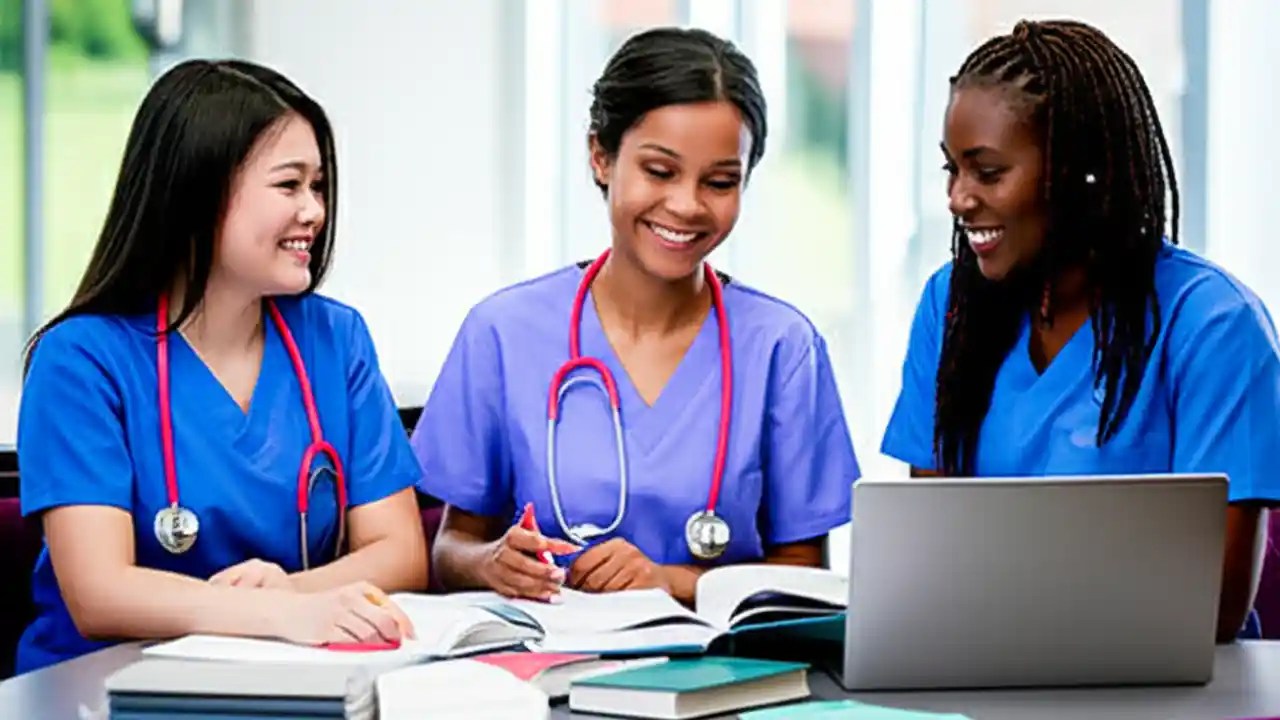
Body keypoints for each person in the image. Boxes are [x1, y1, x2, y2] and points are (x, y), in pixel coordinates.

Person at [411, 27, 860, 606]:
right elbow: (451, 549)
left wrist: (669, 582)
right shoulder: (503, 332)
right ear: (601, 156)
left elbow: (805, 574)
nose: (687, 205)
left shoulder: (782, 347)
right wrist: (493, 565)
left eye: (720, 182)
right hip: (551, 663)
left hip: (726, 677)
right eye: (660, 171)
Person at [15, 59, 427, 674]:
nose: (314, 210)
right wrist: (283, 616)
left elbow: (401, 555)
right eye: (289, 186)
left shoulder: (336, 339)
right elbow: (99, 593)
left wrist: (289, 596)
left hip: (292, 680)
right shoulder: (80, 361)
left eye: (318, 186)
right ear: (197, 193)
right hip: (105, 687)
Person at [881, 19, 1280, 642]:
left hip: (1165, 689)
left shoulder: (1214, 325)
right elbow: (932, 560)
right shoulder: (952, 304)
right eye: (951, 171)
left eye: (986, 173)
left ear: (1077, 171)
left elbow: (1216, 609)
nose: (958, 199)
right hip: (983, 670)